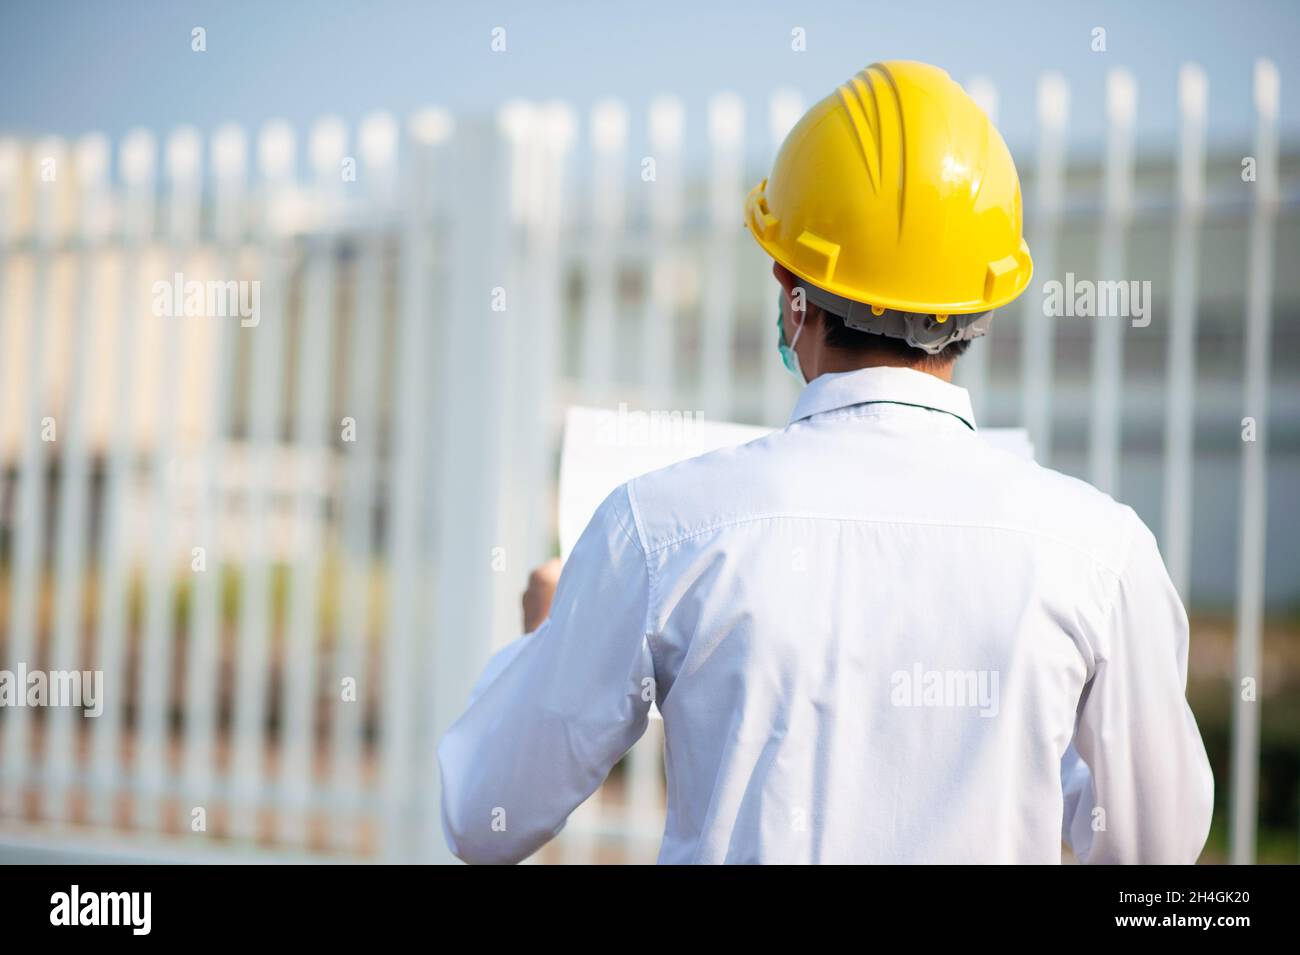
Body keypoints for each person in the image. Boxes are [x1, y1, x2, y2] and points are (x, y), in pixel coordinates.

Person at [437, 61, 1214, 864]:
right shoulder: (1098, 555)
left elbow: (481, 811)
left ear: (789, 283)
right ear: (983, 305)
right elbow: (1154, 857)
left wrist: (547, 637)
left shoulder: (660, 531)